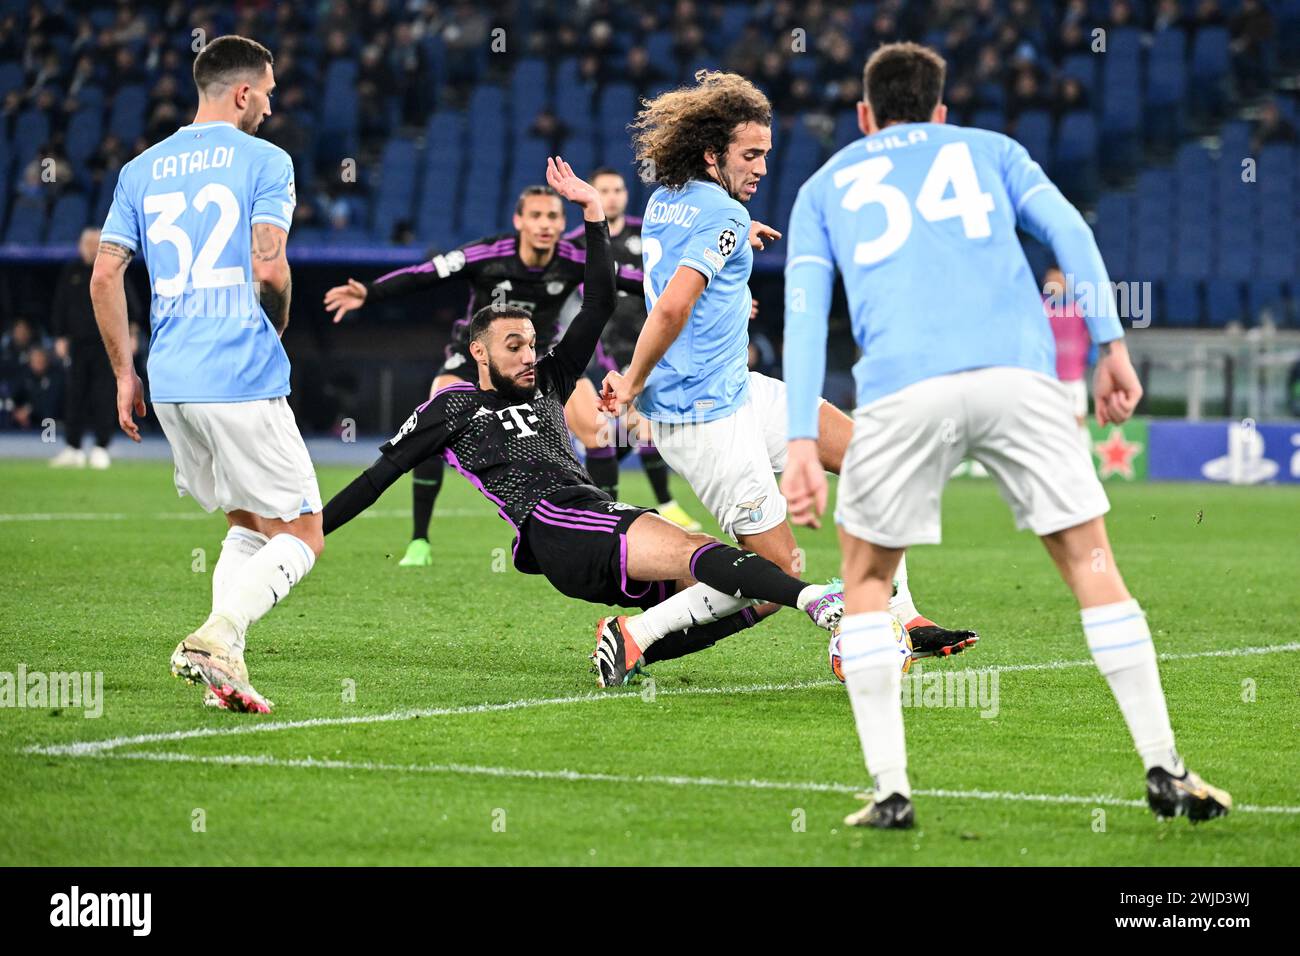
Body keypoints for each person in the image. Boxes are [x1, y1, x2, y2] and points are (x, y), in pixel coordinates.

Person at [780, 42, 1231, 829]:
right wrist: (1111, 344)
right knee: (1090, 561)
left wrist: (796, 441)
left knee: (868, 581)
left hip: (901, 388)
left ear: (864, 115)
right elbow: (1071, 234)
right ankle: (1164, 766)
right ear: (941, 109)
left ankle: (891, 792)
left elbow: (805, 316)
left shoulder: (822, 187)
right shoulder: (991, 150)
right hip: (1017, 374)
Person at [322, 159, 845, 689]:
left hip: (594, 515)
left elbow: (600, 301)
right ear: (478, 352)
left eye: (532, 344)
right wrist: (308, 535)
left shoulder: (549, 377)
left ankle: (631, 644)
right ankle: (820, 602)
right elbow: (375, 479)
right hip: (556, 522)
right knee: (705, 555)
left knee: (747, 587)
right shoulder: (451, 407)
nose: (529, 355)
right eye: (514, 347)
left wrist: (594, 212)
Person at [601, 70, 978, 665]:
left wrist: (737, 236)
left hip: (735, 391)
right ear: (711, 154)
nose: (761, 168)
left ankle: (901, 614)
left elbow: (688, 249)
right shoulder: (721, 215)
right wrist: (632, 381)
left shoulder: (667, 199)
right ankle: (636, 635)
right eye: (749, 155)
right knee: (778, 571)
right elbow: (672, 306)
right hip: (703, 417)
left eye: (765, 154)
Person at [92, 35, 321, 714]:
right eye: (268, 93)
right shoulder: (266, 161)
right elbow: (269, 267)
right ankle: (218, 635)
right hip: (238, 370)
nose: (271, 107)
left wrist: (124, 374)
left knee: (246, 523)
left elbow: (105, 275)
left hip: (171, 379)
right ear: (243, 92)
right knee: (302, 533)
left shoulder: (141, 169)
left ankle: (226, 671)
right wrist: (278, 320)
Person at [321, 186, 685, 572]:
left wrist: (695, 294)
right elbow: (426, 274)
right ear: (518, 221)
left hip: (540, 364)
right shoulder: (488, 254)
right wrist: (371, 293)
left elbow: (629, 283)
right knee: (432, 424)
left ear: (563, 223)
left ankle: (602, 525)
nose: (545, 225)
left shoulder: (572, 257)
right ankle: (419, 540)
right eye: (536, 216)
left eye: (553, 217)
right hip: (473, 360)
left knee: (598, 434)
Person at [560, 166, 702, 530]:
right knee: (637, 427)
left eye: (618, 190)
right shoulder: (576, 243)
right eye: (604, 190)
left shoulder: (649, 231)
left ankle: (595, 497)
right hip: (605, 349)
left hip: (651, 342)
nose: (612, 197)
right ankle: (661, 504)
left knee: (629, 432)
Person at [50, 227, 142, 469]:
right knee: (75, 395)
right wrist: (60, 336)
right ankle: (73, 447)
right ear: (80, 246)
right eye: (87, 244)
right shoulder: (71, 271)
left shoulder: (112, 271)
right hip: (78, 344)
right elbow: (60, 305)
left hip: (107, 345)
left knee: (104, 395)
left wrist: (131, 335)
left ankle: (102, 446)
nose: (91, 249)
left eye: (95, 244)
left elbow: (131, 307)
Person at [1043, 264, 1092, 451]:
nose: (1053, 284)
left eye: (1058, 280)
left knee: (1077, 420)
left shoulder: (1080, 307)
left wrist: (1092, 354)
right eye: (1050, 280)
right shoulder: (1039, 306)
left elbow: (1092, 333)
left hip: (1073, 376)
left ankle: (1083, 459)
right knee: (1044, 421)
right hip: (1046, 375)